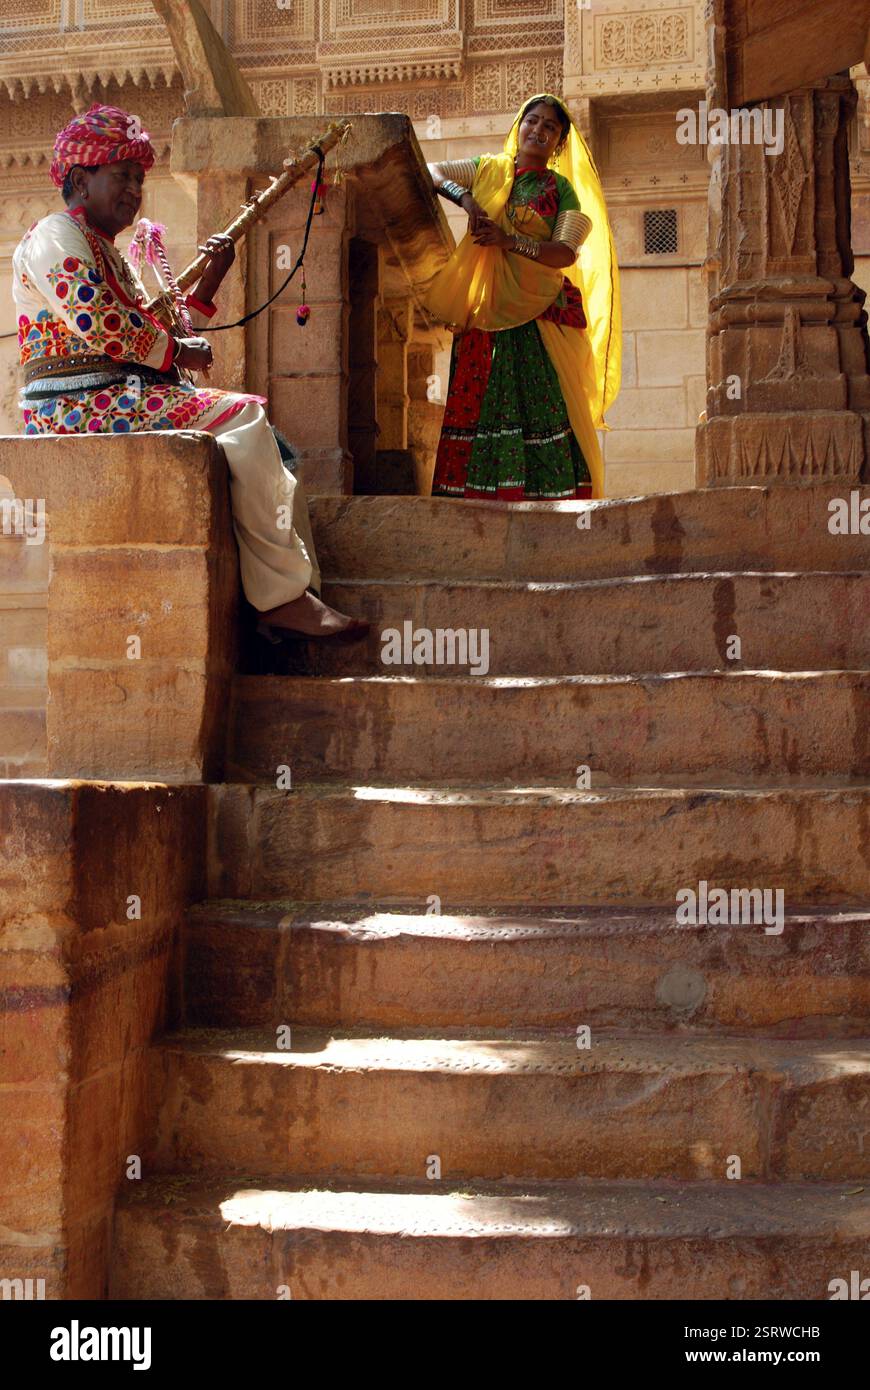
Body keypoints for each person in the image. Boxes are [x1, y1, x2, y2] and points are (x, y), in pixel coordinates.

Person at [13, 103, 367, 641]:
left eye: (138, 178)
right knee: (244, 418)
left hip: (112, 393)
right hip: (73, 405)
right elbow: (100, 322)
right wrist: (177, 354)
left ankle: (295, 592)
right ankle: (281, 599)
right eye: (122, 176)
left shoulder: (107, 252)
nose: (134, 189)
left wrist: (208, 284)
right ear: (81, 180)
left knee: (270, 445)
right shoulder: (53, 236)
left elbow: (157, 332)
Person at [425, 93, 621, 501]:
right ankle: (473, 501)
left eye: (550, 126)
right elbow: (430, 170)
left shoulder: (561, 189)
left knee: (542, 402)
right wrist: (466, 197)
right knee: (479, 399)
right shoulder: (487, 170)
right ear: (520, 126)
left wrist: (509, 241)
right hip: (485, 308)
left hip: (540, 309)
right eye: (532, 121)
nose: (539, 130)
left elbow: (565, 253)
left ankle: (549, 501)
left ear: (559, 142)